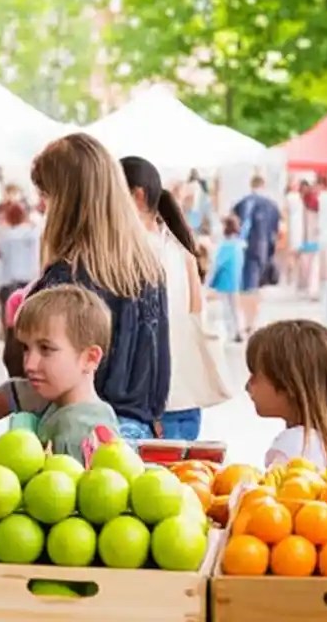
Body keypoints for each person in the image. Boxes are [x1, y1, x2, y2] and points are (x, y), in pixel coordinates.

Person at [0, 133, 170, 440]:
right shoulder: (148, 269)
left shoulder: (66, 278)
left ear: (66, 199)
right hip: (137, 437)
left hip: (77, 435)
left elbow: (37, 382)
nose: (42, 206)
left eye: (47, 195)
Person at [121, 156, 209, 440]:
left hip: (150, 407)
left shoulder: (131, 253)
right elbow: (196, 318)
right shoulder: (181, 251)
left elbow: (148, 334)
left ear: (137, 195)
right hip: (187, 401)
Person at [0, 285, 120, 464]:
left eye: (45, 349)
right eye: (26, 348)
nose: (29, 365)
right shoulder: (85, 412)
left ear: (90, 358)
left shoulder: (74, 433)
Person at [245, 320, 327, 469]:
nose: (248, 385)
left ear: (288, 384)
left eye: (255, 374)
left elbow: (269, 491)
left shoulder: (293, 448)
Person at [231, 175, 280, 336]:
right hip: (264, 249)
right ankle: (252, 321)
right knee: (256, 287)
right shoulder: (272, 205)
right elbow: (276, 230)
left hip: (245, 248)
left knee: (247, 287)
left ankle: (248, 323)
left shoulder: (243, 203)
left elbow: (234, 223)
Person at [0, 202, 40, 333]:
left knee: (9, 326)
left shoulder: (4, 235)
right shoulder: (34, 233)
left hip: (8, 282)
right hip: (29, 282)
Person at [209, 215, 246, 342]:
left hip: (224, 280)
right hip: (235, 279)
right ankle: (239, 330)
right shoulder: (239, 245)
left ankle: (231, 331)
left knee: (226, 307)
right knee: (236, 307)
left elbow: (217, 264)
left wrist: (209, 281)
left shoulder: (225, 246)